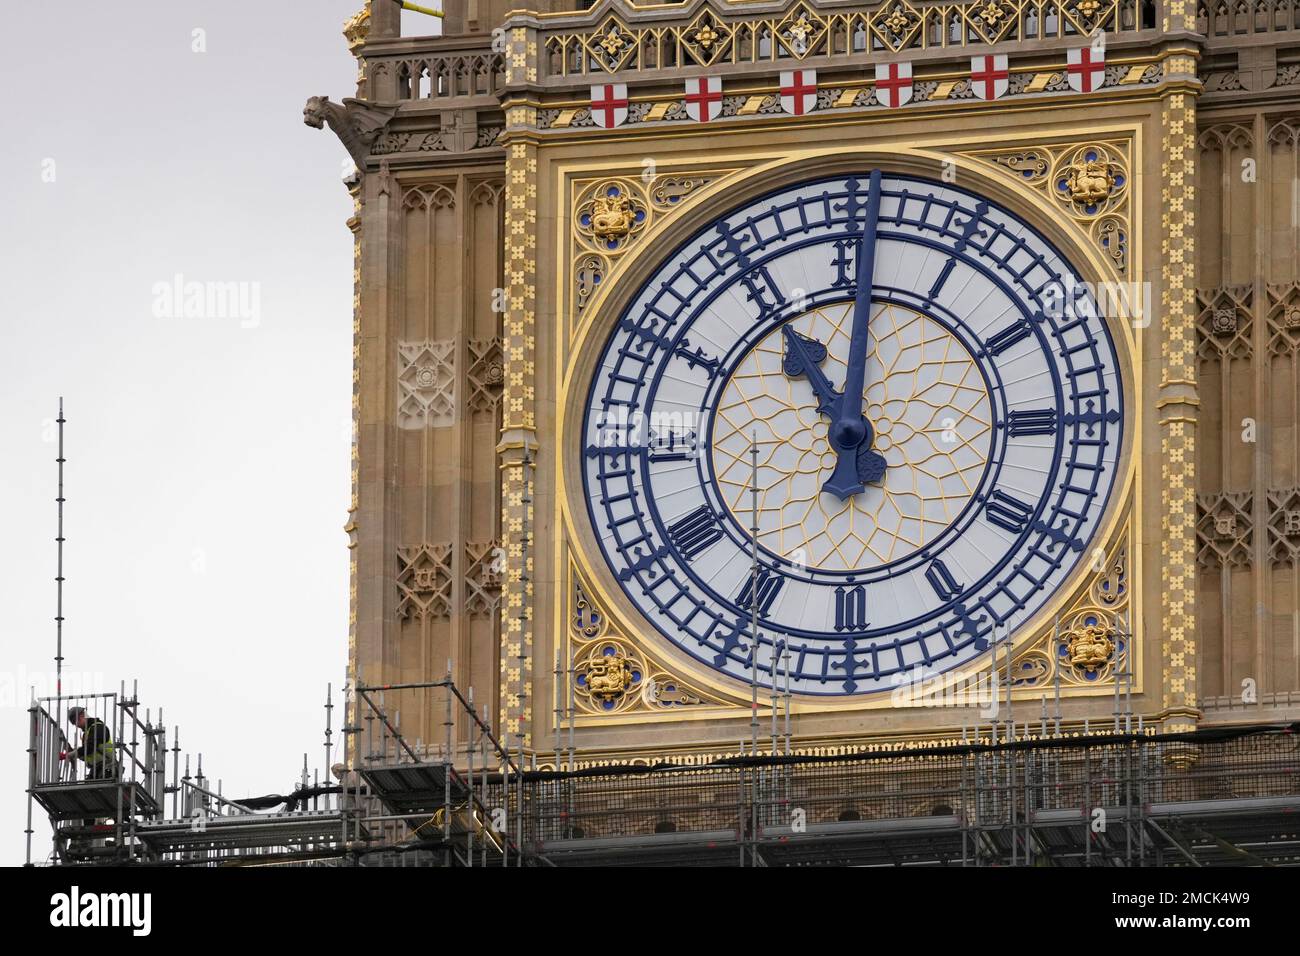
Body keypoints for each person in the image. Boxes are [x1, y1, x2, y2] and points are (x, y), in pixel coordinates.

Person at [61, 706, 117, 780]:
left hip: (107, 768)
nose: (77, 725)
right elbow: (88, 754)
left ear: (82, 715)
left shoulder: (98, 727)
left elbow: (89, 748)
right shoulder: (87, 732)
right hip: (97, 769)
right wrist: (75, 754)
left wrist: (67, 755)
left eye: (76, 721)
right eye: (74, 723)